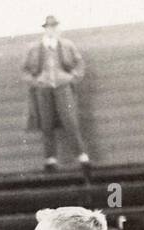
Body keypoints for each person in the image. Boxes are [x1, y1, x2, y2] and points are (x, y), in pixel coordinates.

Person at [24, 15, 92, 177]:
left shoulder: (67, 45)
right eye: (49, 27)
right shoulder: (34, 48)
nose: (52, 30)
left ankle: (82, 157)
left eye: (55, 27)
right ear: (45, 29)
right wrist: (35, 81)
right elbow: (24, 70)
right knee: (46, 123)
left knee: (70, 121)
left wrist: (72, 77)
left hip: (63, 87)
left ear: (58, 28)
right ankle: (50, 160)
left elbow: (79, 63)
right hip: (43, 89)